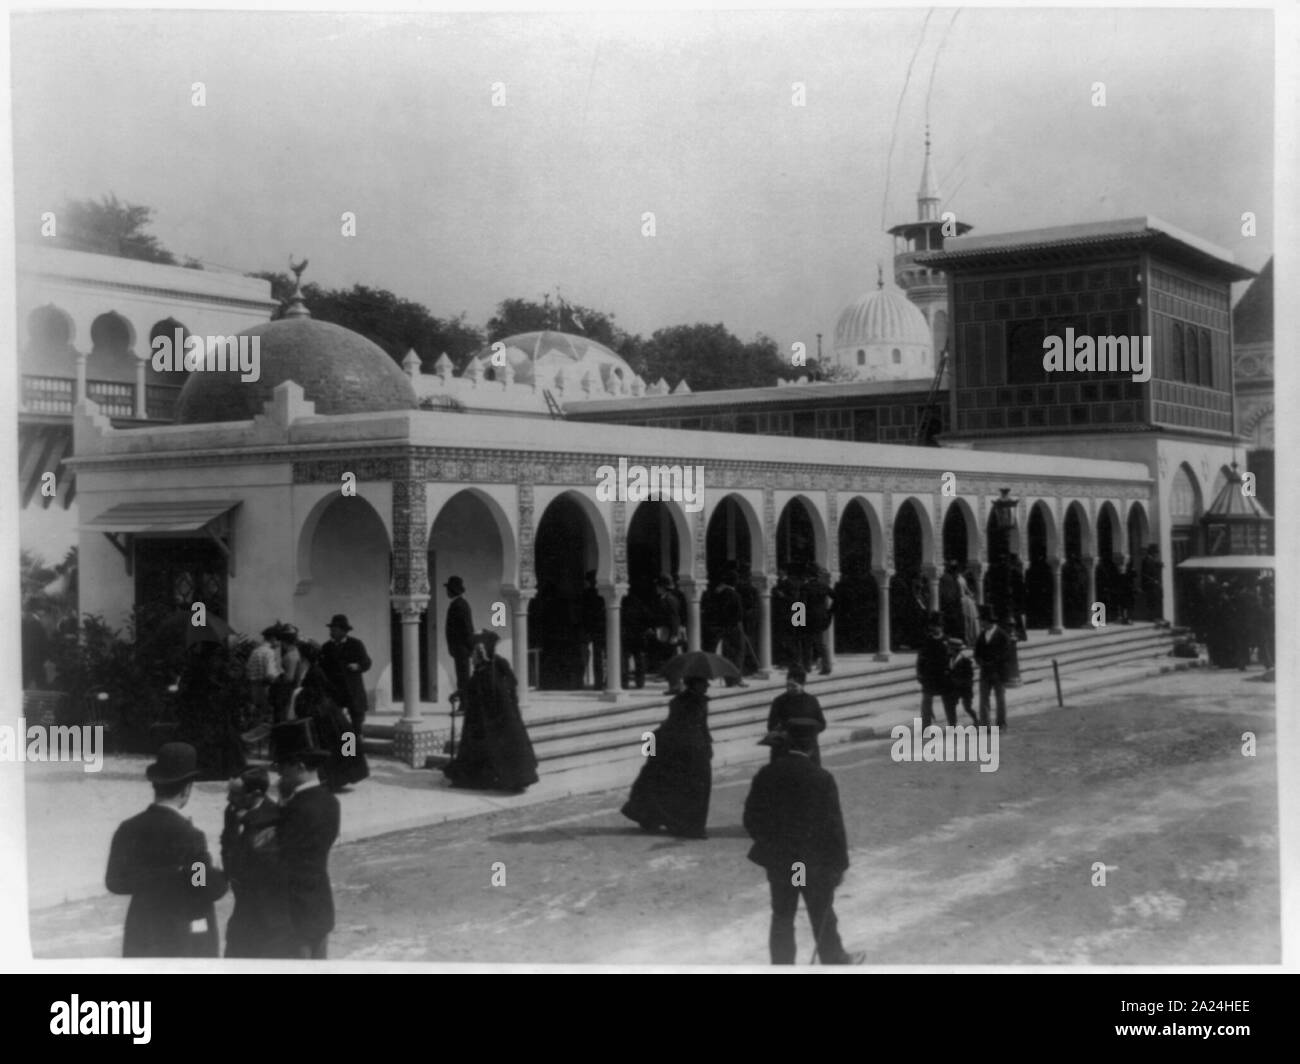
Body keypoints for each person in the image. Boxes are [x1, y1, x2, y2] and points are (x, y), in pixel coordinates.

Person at [744, 719, 864, 966]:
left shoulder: (767, 773)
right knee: (821, 913)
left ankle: (782, 966)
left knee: (782, 916)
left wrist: (770, 842)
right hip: (811, 863)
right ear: (812, 746)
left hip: (780, 861)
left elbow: (751, 818)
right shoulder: (821, 778)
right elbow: (833, 827)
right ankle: (834, 959)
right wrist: (839, 865)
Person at [105, 742, 229, 957]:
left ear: (155, 785)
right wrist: (219, 877)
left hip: (142, 932)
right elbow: (200, 883)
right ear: (186, 789)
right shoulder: (191, 836)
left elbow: (114, 882)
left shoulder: (128, 828)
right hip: (180, 935)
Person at [271, 720, 340, 960]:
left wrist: (280, 807)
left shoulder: (295, 809)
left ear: (299, 767)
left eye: (282, 767)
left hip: (293, 913)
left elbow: (277, 855)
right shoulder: (330, 801)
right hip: (319, 904)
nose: (279, 774)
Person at [444, 631, 539, 792]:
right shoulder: (483, 670)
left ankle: (508, 780)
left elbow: (508, 684)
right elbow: (471, 687)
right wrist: (459, 694)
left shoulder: (494, 669)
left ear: (481, 653)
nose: (472, 657)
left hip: (497, 721)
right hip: (483, 721)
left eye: (474, 653)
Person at [621, 675, 713, 839]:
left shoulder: (693, 701)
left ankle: (681, 823)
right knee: (688, 787)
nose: (707, 685)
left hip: (687, 746)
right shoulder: (686, 702)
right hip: (682, 749)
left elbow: (702, 726)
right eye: (703, 682)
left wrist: (707, 743)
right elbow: (683, 726)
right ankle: (686, 826)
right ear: (695, 684)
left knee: (687, 786)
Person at [220, 766, 292, 958]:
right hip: (242, 910)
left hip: (268, 917)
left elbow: (269, 867)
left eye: (235, 794)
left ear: (256, 794)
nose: (229, 799)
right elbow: (226, 844)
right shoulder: (232, 810)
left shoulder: (276, 818)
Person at [294, 640, 364, 792]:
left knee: (337, 741)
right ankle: (336, 777)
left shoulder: (314, 671)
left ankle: (338, 777)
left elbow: (319, 691)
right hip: (325, 709)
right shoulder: (313, 669)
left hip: (322, 711)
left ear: (304, 657)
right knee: (341, 739)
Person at [319, 614, 371, 787]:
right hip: (335, 694)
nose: (331, 632)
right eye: (331, 629)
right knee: (338, 729)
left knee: (353, 731)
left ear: (343, 631)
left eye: (334, 629)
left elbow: (367, 662)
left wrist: (358, 666)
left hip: (353, 693)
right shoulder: (327, 647)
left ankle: (352, 763)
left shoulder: (355, 645)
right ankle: (343, 765)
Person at [766, 665, 826, 764]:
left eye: (794, 686)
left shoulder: (811, 701)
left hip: (808, 750)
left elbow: (822, 723)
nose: (789, 688)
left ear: (802, 685)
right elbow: (771, 725)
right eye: (788, 685)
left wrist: (809, 729)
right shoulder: (779, 701)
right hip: (786, 751)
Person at [974, 605, 1012, 729]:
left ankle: (1001, 723)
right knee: (984, 699)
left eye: (983, 621)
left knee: (1000, 699)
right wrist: (980, 662)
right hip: (985, 672)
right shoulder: (982, 635)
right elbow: (976, 652)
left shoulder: (1002, 636)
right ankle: (985, 725)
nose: (981, 623)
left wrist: (992, 663)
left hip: (998, 673)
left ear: (988, 621)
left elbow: (1005, 655)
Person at [915, 612, 951, 729]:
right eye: (933, 625)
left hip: (944, 677)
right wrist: (919, 674)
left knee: (948, 702)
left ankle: (952, 725)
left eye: (937, 626)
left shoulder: (948, 641)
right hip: (929, 676)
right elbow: (920, 659)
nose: (934, 628)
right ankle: (926, 727)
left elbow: (952, 660)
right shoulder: (927, 641)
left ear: (941, 627)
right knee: (926, 702)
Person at [716, 570, 749, 688]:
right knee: (738, 653)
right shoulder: (735, 595)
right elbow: (739, 614)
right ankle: (737, 678)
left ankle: (728, 680)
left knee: (727, 654)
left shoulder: (720, 594)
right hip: (735, 627)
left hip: (723, 627)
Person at [444, 576, 475, 696]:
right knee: (462, 676)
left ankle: (465, 704)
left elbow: (466, 628)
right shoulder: (458, 604)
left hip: (462, 648)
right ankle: (464, 703)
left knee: (463, 677)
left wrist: (470, 647)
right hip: (460, 648)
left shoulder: (459, 605)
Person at [247, 624, 283, 722]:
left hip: (254, 691)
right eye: (279, 639)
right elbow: (270, 676)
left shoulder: (255, 652)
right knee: (268, 720)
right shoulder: (269, 652)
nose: (280, 643)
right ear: (273, 638)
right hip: (266, 691)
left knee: (257, 719)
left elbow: (248, 670)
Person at [943, 637, 979, 726]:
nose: (947, 649)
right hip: (953, 688)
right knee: (950, 706)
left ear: (954, 650)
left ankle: (976, 720)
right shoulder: (948, 659)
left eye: (949, 648)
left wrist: (959, 681)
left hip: (965, 688)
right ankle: (952, 725)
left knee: (967, 707)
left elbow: (969, 676)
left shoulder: (965, 661)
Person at [580, 570, 606, 689]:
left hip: (594, 628)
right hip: (602, 628)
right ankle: (605, 681)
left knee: (597, 657)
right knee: (604, 656)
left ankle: (599, 683)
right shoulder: (603, 593)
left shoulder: (587, 594)